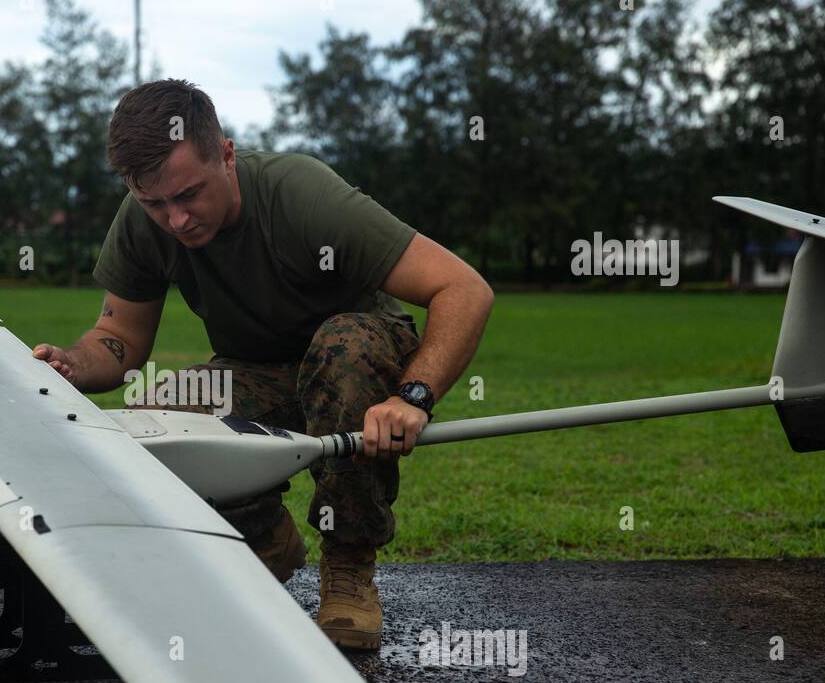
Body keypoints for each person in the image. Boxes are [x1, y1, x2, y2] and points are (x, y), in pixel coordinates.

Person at [32, 79, 493, 650]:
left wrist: (414, 396)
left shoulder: (301, 195)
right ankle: (264, 539)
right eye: (155, 203)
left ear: (225, 154)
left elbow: (463, 288)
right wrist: (70, 365)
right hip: (258, 370)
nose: (175, 220)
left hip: (359, 361)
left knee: (342, 345)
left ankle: (348, 566)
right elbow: (117, 337)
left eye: (189, 195)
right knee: (161, 408)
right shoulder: (142, 221)